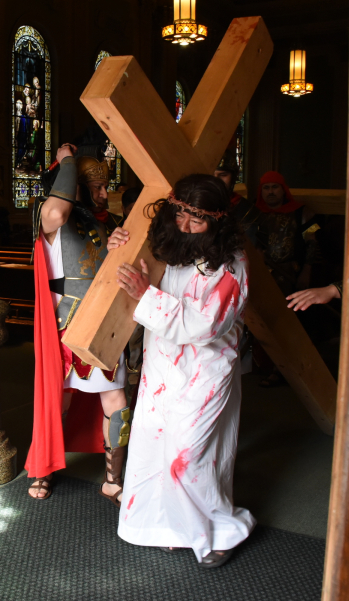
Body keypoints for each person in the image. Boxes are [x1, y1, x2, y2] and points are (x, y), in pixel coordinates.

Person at [109, 173, 254, 568]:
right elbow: (133, 264)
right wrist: (117, 245)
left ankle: (220, 531)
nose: (186, 226)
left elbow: (206, 326)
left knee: (189, 456)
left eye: (197, 219)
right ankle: (169, 528)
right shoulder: (171, 241)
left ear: (218, 221)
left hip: (205, 371)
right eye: (180, 215)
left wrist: (146, 295)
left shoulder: (232, 265)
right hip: (162, 365)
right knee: (154, 448)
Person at [25, 143, 129, 506]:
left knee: (117, 401)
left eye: (106, 186)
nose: (104, 193)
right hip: (64, 326)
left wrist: (120, 249)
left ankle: (114, 480)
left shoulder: (112, 223)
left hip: (105, 325)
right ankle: (45, 466)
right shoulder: (50, 218)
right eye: (96, 187)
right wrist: (66, 161)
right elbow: (58, 209)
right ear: (77, 186)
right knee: (58, 400)